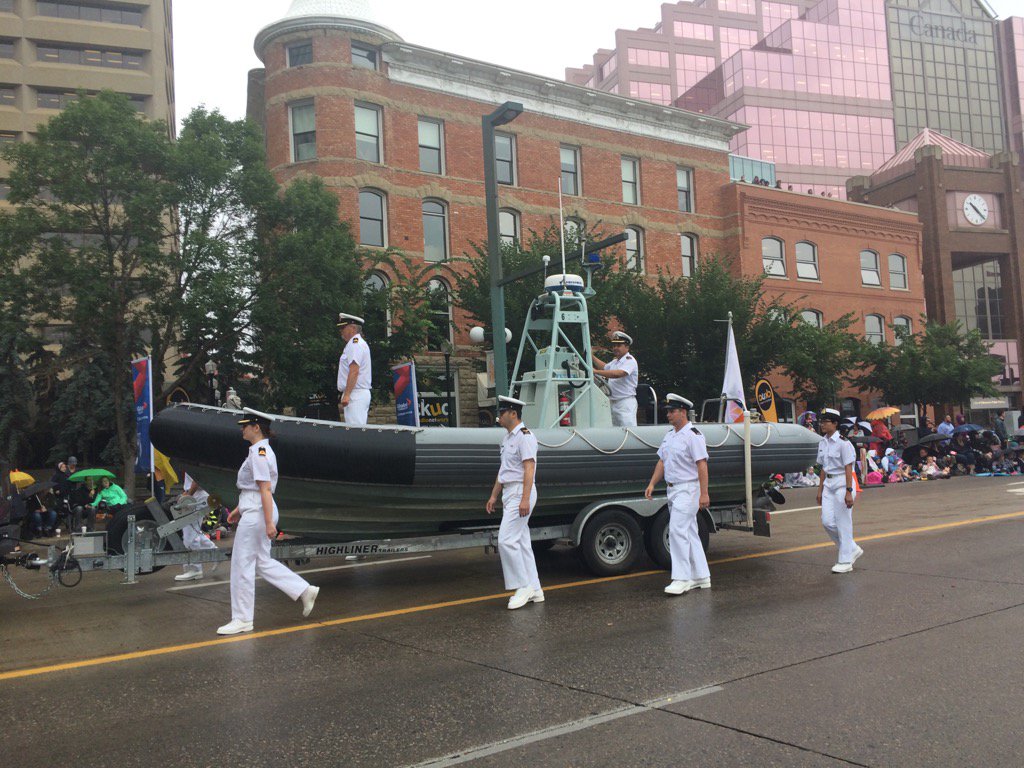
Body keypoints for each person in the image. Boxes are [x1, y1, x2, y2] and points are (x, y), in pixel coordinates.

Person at [217, 408, 319, 635]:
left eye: (245, 425)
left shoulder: (260, 452)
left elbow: (264, 488)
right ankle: (304, 590)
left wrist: (269, 523)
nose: (242, 429)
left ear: (256, 428)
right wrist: (237, 510)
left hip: (258, 512)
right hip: (254, 509)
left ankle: (242, 619)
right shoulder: (258, 451)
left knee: (241, 565)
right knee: (262, 561)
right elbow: (254, 490)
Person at [645, 394, 711, 595]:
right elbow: (662, 461)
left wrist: (704, 493)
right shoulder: (670, 435)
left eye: (672, 411)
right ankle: (701, 576)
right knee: (689, 532)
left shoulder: (694, 435)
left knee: (677, 531)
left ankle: (682, 578)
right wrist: (652, 483)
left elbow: (702, 465)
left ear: (683, 412)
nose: (668, 415)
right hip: (673, 488)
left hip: (689, 488)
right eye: (667, 411)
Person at [486, 396, 544, 610]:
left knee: (506, 540)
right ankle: (535, 588)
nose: (498, 417)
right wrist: (493, 496)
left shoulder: (525, 437)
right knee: (521, 542)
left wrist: (525, 498)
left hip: (521, 490)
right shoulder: (507, 439)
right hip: (510, 492)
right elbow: (504, 472)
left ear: (513, 413)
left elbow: (529, 468)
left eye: (501, 413)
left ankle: (522, 586)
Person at [815, 408, 863, 574]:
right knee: (827, 522)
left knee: (843, 523)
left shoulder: (844, 443)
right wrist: (820, 490)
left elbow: (848, 468)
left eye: (825, 421)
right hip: (828, 484)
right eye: (821, 421)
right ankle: (852, 547)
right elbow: (822, 468)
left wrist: (849, 491)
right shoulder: (823, 442)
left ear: (835, 424)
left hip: (843, 483)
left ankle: (845, 561)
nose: (822, 424)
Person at [174, 473, 220, 582]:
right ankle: (215, 554)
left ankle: (195, 569)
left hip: (197, 495)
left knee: (190, 535)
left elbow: (198, 478)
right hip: (198, 495)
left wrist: (188, 495)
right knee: (195, 532)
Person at [592, 331, 639, 427]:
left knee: (629, 433)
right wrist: (591, 357)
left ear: (627, 347)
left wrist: (595, 372)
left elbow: (618, 374)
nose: (615, 348)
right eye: (614, 345)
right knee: (615, 434)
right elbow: (605, 367)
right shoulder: (615, 362)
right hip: (613, 402)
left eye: (618, 345)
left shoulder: (630, 360)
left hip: (625, 403)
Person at [336, 313, 372, 426]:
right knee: (354, 428)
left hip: (355, 393)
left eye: (343, 327)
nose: (341, 331)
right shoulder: (355, 344)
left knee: (355, 430)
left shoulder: (355, 344)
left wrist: (347, 394)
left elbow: (354, 370)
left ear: (352, 328)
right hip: (355, 392)